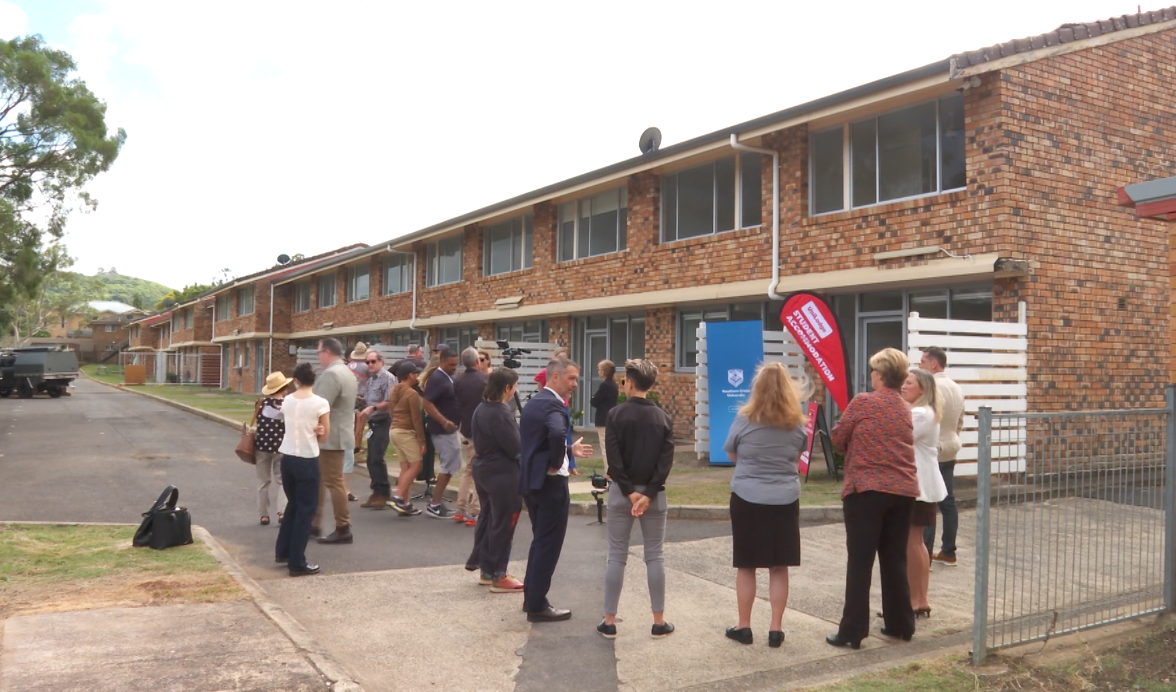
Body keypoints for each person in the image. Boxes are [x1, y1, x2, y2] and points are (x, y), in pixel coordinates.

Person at [825, 347, 920, 650]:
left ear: (879, 375)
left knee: (860, 561)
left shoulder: (863, 402)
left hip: (866, 490)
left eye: (873, 371)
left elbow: (838, 440)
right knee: (894, 558)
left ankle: (852, 630)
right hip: (902, 491)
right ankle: (900, 624)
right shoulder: (904, 407)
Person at [722, 362, 809, 649]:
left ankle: (744, 626)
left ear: (756, 388)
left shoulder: (744, 420)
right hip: (784, 499)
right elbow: (797, 456)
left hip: (747, 496)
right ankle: (775, 629)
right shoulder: (797, 424)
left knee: (746, 565)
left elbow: (732, 453)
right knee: (778, 566)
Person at [598, 359, 675, 640]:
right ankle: (658, 621)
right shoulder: (663, 418)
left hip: (621, 493)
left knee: (616, 556)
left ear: (629, 382)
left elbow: (614, 460)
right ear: (651, 384)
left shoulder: (615, 415)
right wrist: (647, 494)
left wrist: (630, 492)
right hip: (654, 496)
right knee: (654, 556)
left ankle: (608, 621)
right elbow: (664, 464)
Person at [519, 356, 592, 622]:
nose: (575, 384)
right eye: (571, 378)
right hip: (551, 485)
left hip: (533, 483)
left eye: (576, 379)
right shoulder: (553, 405)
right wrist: (555, 461)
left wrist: (567, 450)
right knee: (548, 546)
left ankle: (531, 598)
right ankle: (538, 605)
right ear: (555, 377)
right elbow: (554, 433)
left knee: (540, 542)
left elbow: (540, 440)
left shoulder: (534, 403)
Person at [465, 367, 525, 592]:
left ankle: (486, 570)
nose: (515, 391)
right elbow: (517, 448)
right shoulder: (500, 412)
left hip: (484, 469)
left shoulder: (482, 408)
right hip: (502, 472)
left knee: (489, 518)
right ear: (507, 388)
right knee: (504, 522)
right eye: (515, 387)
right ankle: (499, 574)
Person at [273, 363, 331, 577]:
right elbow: (324, 436)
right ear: (313, 380)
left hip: (287, 457)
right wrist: (319, 429)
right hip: (307, 458)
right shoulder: (320, 403)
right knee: (306, 510)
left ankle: (283, 551)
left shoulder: (287, 400)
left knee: (293, 505)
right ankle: (297, 562)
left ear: (295, 380)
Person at [901, 368, 947, 619]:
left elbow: (899, 437)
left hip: (917, 484)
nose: (903, 386)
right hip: (923, 483)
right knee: (917, 542)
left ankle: (915, 598)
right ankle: (920, 598)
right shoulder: (925, 412)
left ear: (923, 389)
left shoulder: (919, 413)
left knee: (913, 542)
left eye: (909, 383)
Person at [919, 346, 964, 566]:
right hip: (951, 446)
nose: (920, 366)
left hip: (934, 449)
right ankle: (948, 550)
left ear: (933, 364)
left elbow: (928, 418)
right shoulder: (956, 387)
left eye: (922, 362)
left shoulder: (932, 387)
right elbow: (960, 420)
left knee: (929, 500)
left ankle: (925, 553)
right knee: (948, 502)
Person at [312, 337, 358, 544]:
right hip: (340, 432)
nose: (319, 357)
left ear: (327, 352)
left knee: (333, 481)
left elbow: (318, 405)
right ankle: (314, 522)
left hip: (330, 436)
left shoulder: (332, 374)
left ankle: (342, 526)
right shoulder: (347, 371)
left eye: (319, 352)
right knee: (322, 480)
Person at [421, 345, 462, 519]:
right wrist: (444, 421)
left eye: (456, 364)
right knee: (447, 466)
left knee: (451, 465)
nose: (455, 368)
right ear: (443, 362)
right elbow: (427, 402)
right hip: (442, 430)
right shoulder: (438, 378)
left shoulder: (447, 377)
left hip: (450, 429)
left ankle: (437, 503)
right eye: (452, 364)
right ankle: (435, 504)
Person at [454, 347, 488, 526]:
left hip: (465, 428)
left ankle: (460, 508)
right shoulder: (485, 380)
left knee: (468, 470)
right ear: (477, 362)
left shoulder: (458, 381)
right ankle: (475, 510)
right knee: (480, 471)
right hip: (482, 430)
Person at [253, 371, 293, 526]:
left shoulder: (261, 403)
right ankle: (282, 511)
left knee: (263, 481)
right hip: (281, 447)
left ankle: (263, 514)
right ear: (284, 388)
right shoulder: (288, 405)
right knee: (282, 480)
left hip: (262, 446)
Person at [387, 361, 427, 516]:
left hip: (394, 430)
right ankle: (397, 496)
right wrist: (421, 440)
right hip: (405, 431)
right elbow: (416, 419)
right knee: (417, 466)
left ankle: (406, 503)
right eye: (415, 373)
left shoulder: (394, 390)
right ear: (410, 375)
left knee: (405, 467)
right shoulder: (411, 393)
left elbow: (392, 412)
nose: (417, 376)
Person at [358, 351, 395, 508]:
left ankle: (384, 492)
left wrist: (373, 408)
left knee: (377, 458)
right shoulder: (370, 380)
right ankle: (376, 491)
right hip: (372, 423)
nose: (370, 365)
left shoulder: (388, 378)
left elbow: (390, 401)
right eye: (368, 362)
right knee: (370, 458)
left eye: (373, 361)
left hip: (383, 421)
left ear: (381, 362)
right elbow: (366, 399)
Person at [590, 360, 619, 466]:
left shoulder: (605, 385)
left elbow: (595, 401)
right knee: (610, 446)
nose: (598, 372)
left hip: (603, 419)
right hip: (611, 418)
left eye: (599, 370)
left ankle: (608, 472)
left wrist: (593, 398)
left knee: (605, 447)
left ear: (603, 372)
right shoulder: (614, 385)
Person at [349, 342, 371, 451]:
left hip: (351, 395)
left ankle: (352, 444)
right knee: (360, 422)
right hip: (362, 397)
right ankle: (357, 445)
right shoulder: (366, 367)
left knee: (352, 422)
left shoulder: (349, 365)